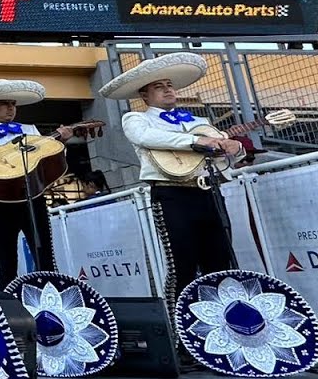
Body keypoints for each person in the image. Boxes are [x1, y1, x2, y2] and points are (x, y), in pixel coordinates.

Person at [100, 53, 243, 310]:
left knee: (221, 261)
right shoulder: (137, 119)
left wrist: (233, 147)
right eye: (159, 87)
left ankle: (225, 322)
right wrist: (197, 142)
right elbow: (149, 138)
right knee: (182, 262)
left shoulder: (199, 121)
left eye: (169, 85)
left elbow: (219, 153)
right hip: (171, 194)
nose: (167, 90)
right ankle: (180, 330)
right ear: (144, 95)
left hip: (209, 192)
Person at [0, 79, 74, 289]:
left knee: (44, 255)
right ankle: (9, 307)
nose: (11, 108)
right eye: (5, 103)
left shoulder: (29, 129)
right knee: (6, 259)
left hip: (32, 197)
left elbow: (46, 161)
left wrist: (61, 143)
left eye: (13, 103)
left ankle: (51, 298)